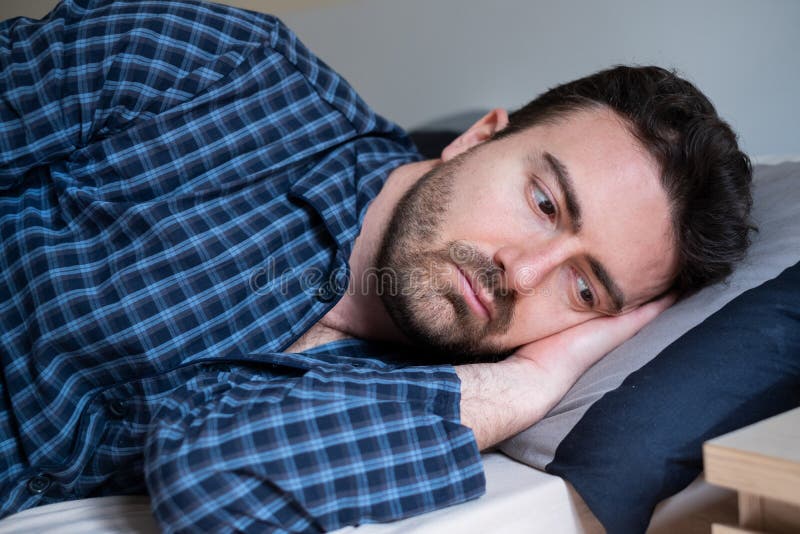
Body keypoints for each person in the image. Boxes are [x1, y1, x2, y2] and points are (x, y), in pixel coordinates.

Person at [0, 0, 752, 532]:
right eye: (545, 203)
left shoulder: (412, 391)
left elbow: (211, 485)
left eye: (583, 286)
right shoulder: (220, 67)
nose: (520, 274)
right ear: (477, 137)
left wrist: (532, 382)